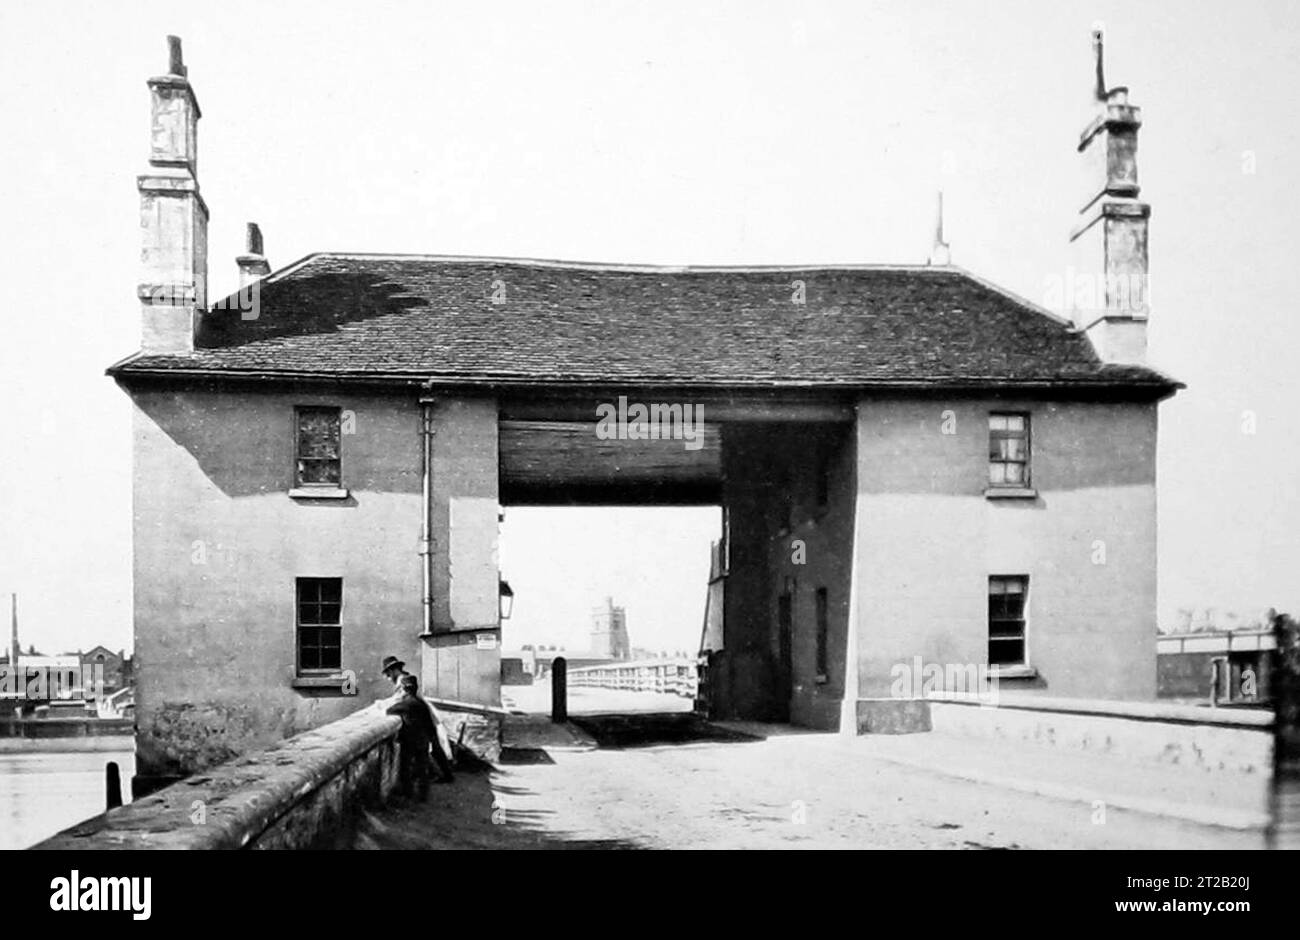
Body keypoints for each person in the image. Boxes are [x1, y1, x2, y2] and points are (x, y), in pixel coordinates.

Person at [378, 655, 454, 782]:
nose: (389, 677)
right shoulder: (407, 678)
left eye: (389, 674)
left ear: (394, 670)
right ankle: (446, 774)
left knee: (432, 745)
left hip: (419, 714)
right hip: (423, 709)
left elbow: (399, 700)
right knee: (435, 744)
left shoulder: (402, 681)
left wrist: (382, 705)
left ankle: (443, 775)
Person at [386, 674, 437, 800]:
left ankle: (407, 793)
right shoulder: (422, 704)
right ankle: (423, 795)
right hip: (423, 741)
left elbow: (389, 711)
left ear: (404, 689)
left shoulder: (405, 704)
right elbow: (430, 725)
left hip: (409, 742)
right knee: (422, 769)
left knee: (405, 768)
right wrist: (432, 739)